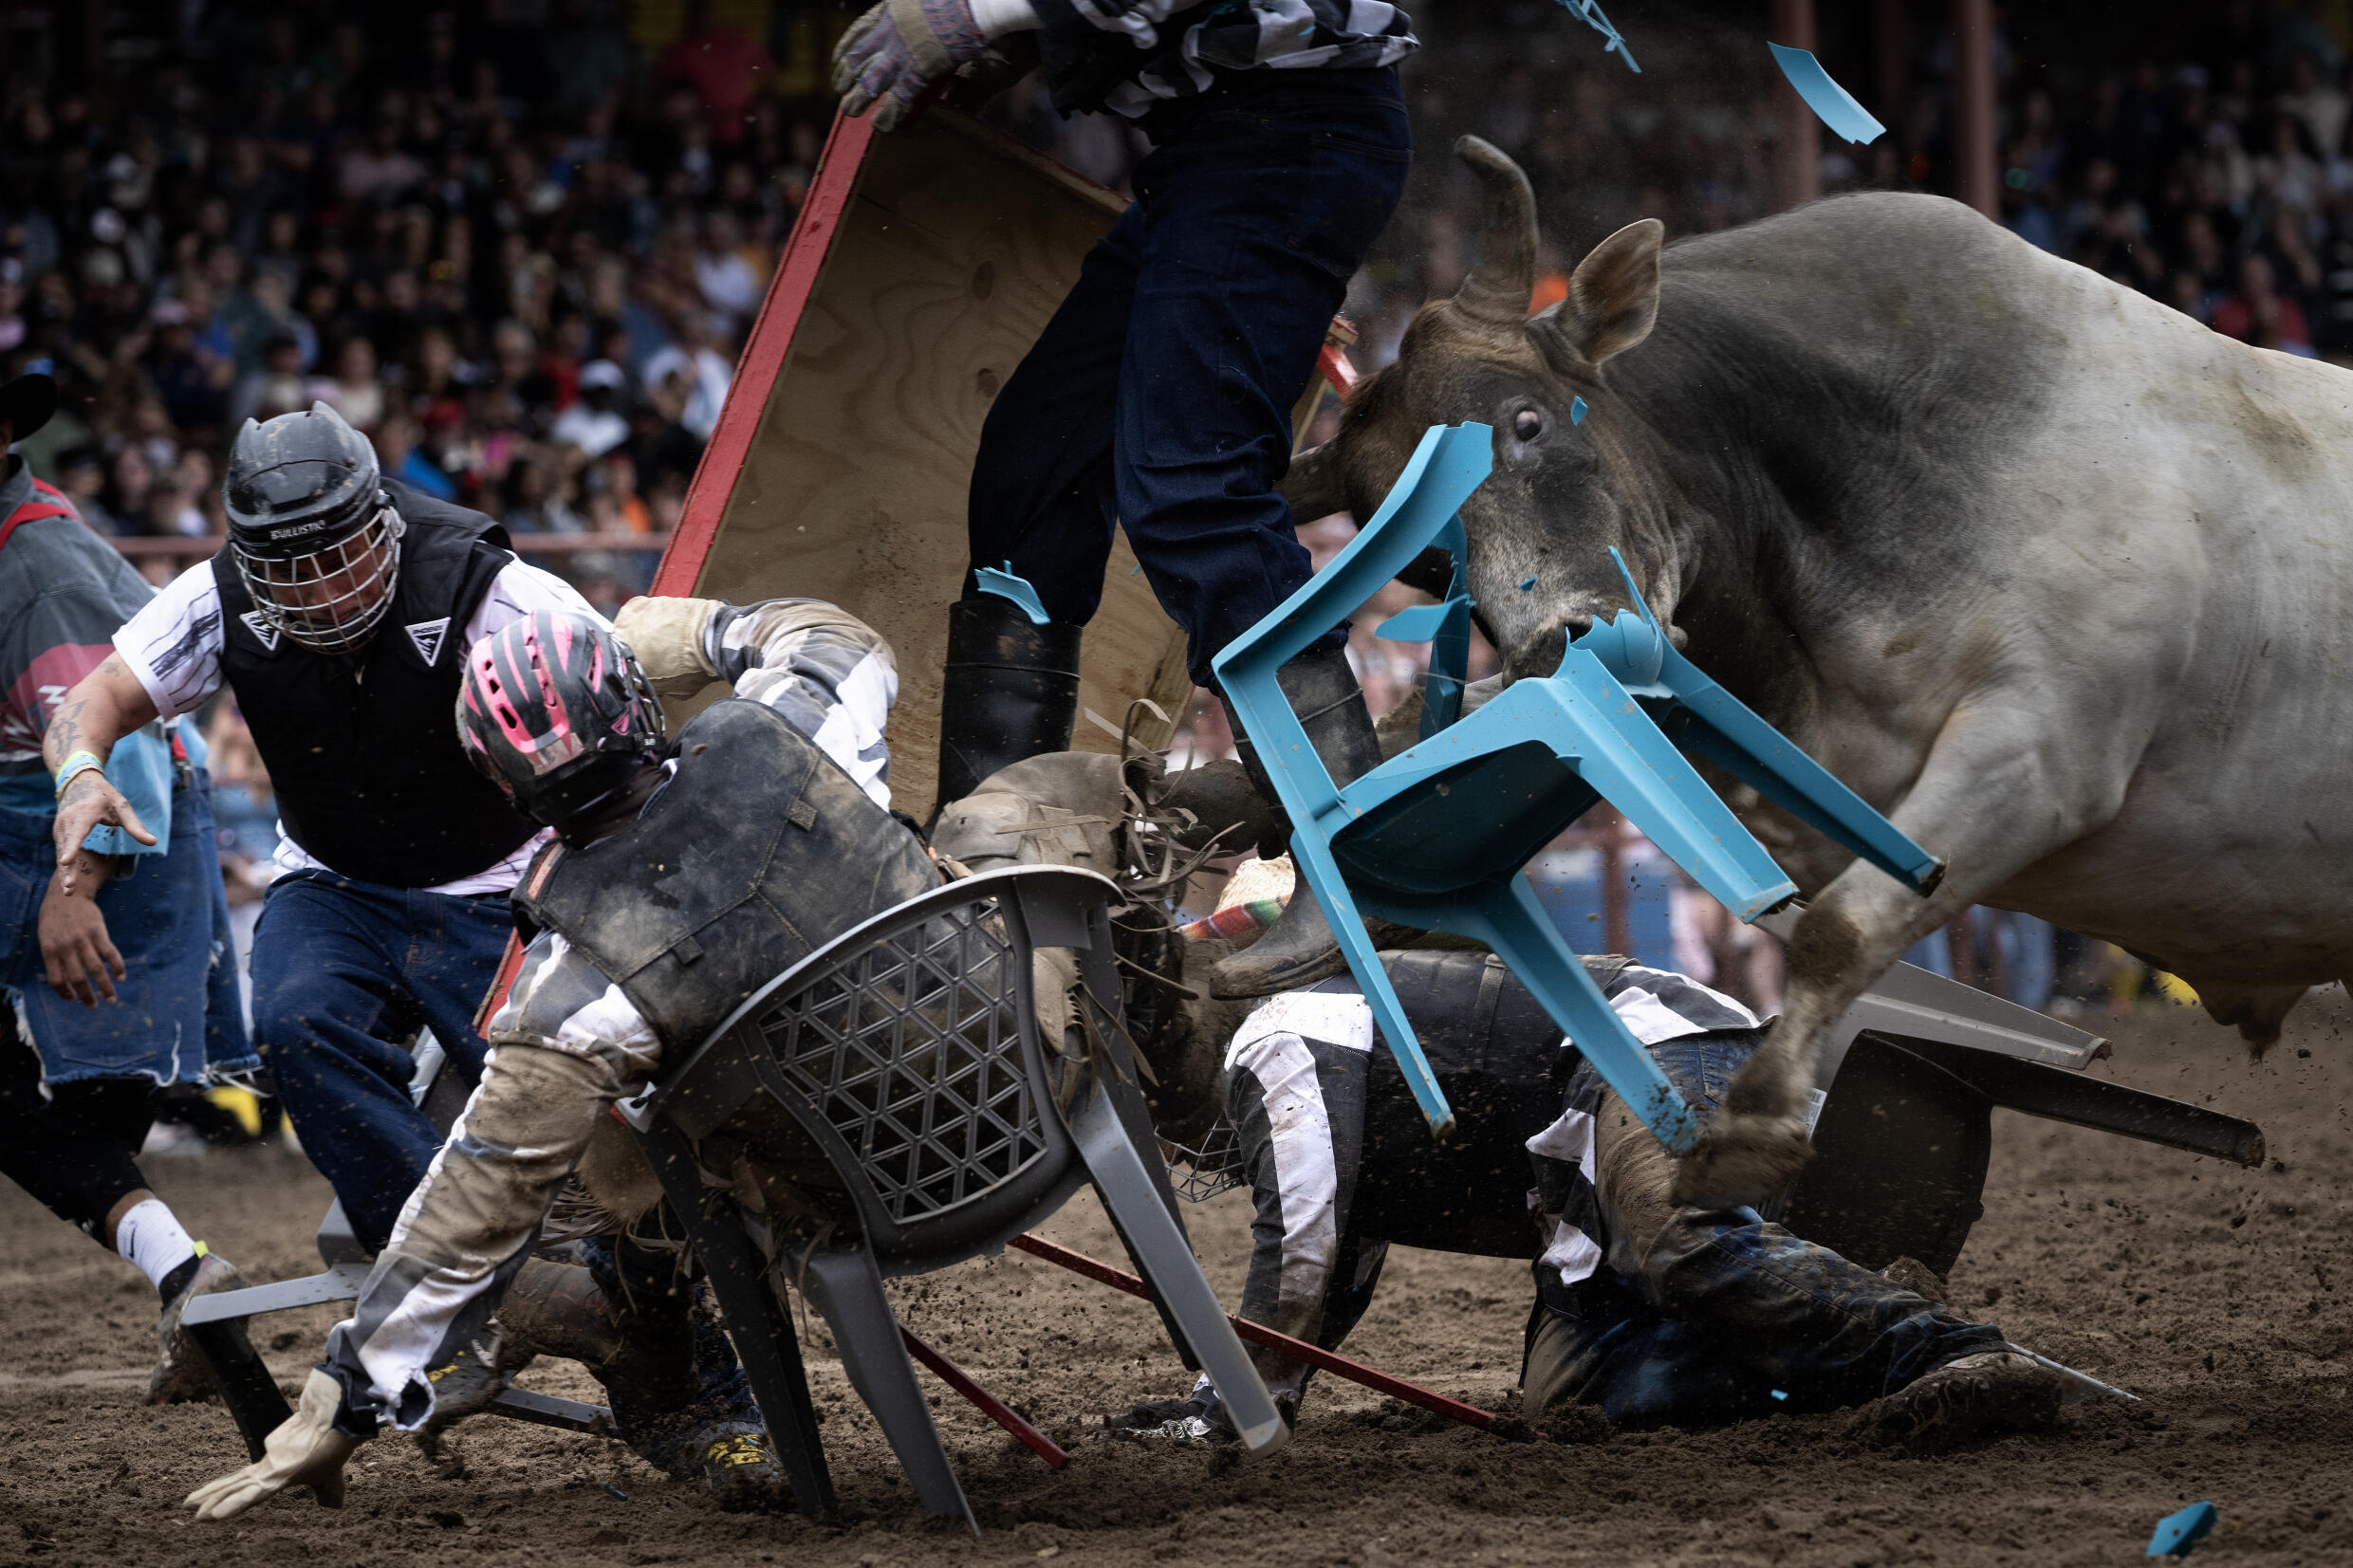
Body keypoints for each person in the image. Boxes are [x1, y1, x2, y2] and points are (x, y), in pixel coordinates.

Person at [42, 401, 775, 1496]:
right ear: (251, 560)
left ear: (381, 524)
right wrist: (79, 775)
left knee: (598, 1145)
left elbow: (630, 758)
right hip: (336, 884)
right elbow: (93, 698)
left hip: (508, 888)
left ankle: (691, 1399)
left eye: (342, 557)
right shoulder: (222, 594)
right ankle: (448, 1311)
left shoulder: (498, 594)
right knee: (293, 1024)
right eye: (291, 571)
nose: (322, 590)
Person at [181, 597, 937, 1522]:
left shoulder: (569, 983)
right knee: (1037, 819)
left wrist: (351, 1380)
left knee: (616, 1156)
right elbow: (842, 636)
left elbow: (475, 1194)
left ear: (507, 791)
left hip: (834, 1199)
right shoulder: (791, 727)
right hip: (1003, 1096)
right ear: (637, 702)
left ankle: (667, 1380)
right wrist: (688, 636)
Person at [832, 0, 1418, 1000]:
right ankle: (990, 879)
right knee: (1034, 470)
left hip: (1288, 132)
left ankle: (1350, 861)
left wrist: (980, 13)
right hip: (1207, 153)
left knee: (1194, 484)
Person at [1111, 939, 2066, 1447]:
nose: (1175, 1143)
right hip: (1569, 1160)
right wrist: (1239, 1393)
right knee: (1586, 1403)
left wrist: (1236, 1401)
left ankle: (1944, 1352)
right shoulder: (1302, 1039)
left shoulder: (1275, 1035)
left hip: (1642, 1047)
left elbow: (1309, 1239)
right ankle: (1846, 1319)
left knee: (1686, 1243)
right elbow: (1342, 1245)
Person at [0, 370, 268, 1404]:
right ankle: (186, 1280)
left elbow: (131, 757)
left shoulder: (39, 574)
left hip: (111, 836)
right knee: (74, 1132)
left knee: (87, 1122)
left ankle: (186, 1279)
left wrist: (73, 893)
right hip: (40, 822)